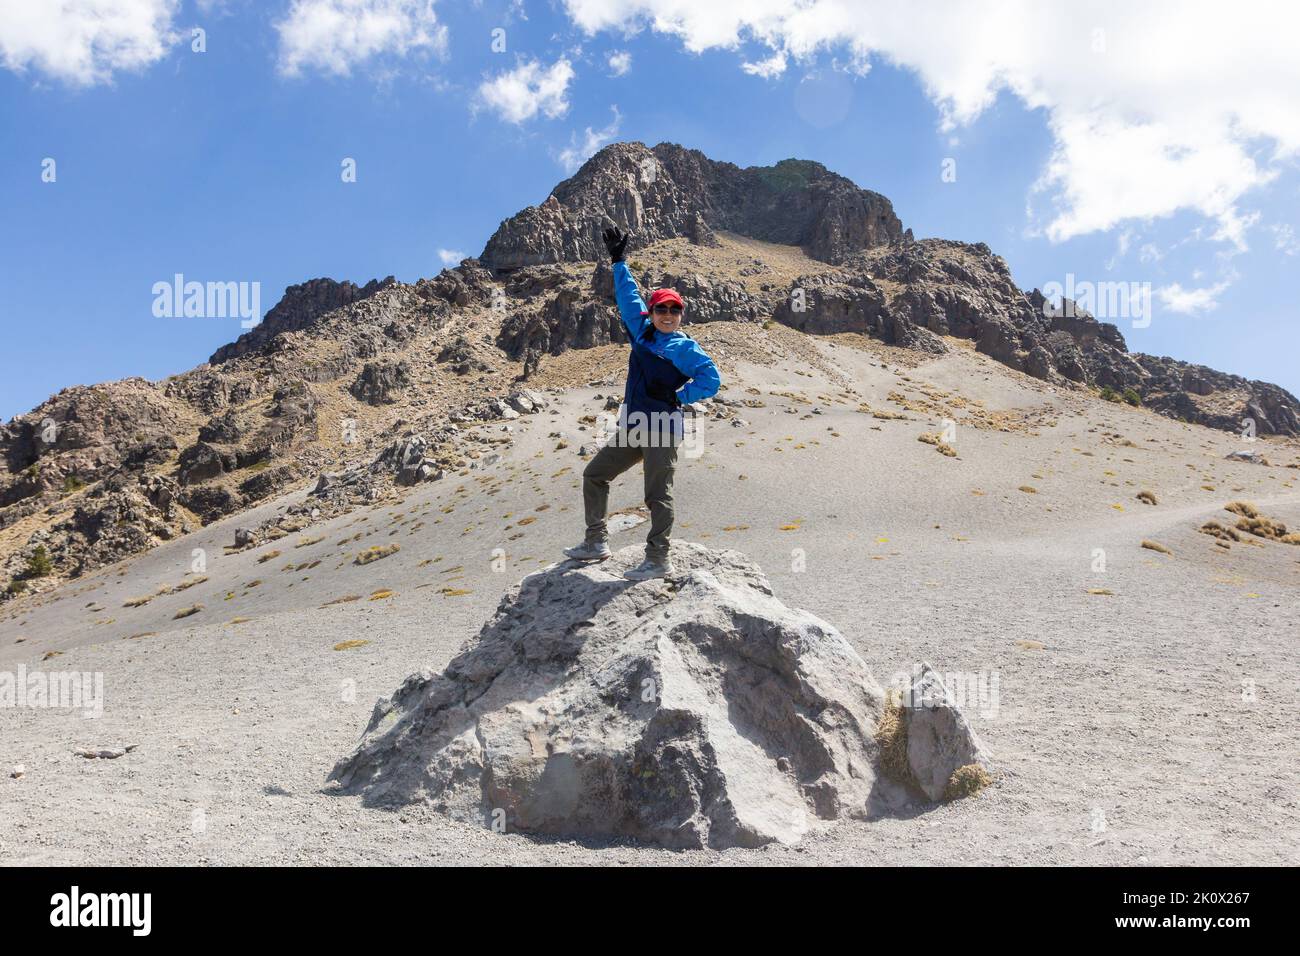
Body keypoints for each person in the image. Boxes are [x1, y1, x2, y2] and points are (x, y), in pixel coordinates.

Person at [563, 226, 721, 579]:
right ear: (652, 312)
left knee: (657, 495)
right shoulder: (642, 332)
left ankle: (658, 559)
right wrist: (618, 260)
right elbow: (628, 297)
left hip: (664, 429)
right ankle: (596, 543)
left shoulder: (684, 347)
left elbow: (712, 380)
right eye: (661, 308)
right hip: (635, 426)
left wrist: (680, 396)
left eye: (674, 309)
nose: (668, 314)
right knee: (595, 474)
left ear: (681, 314)